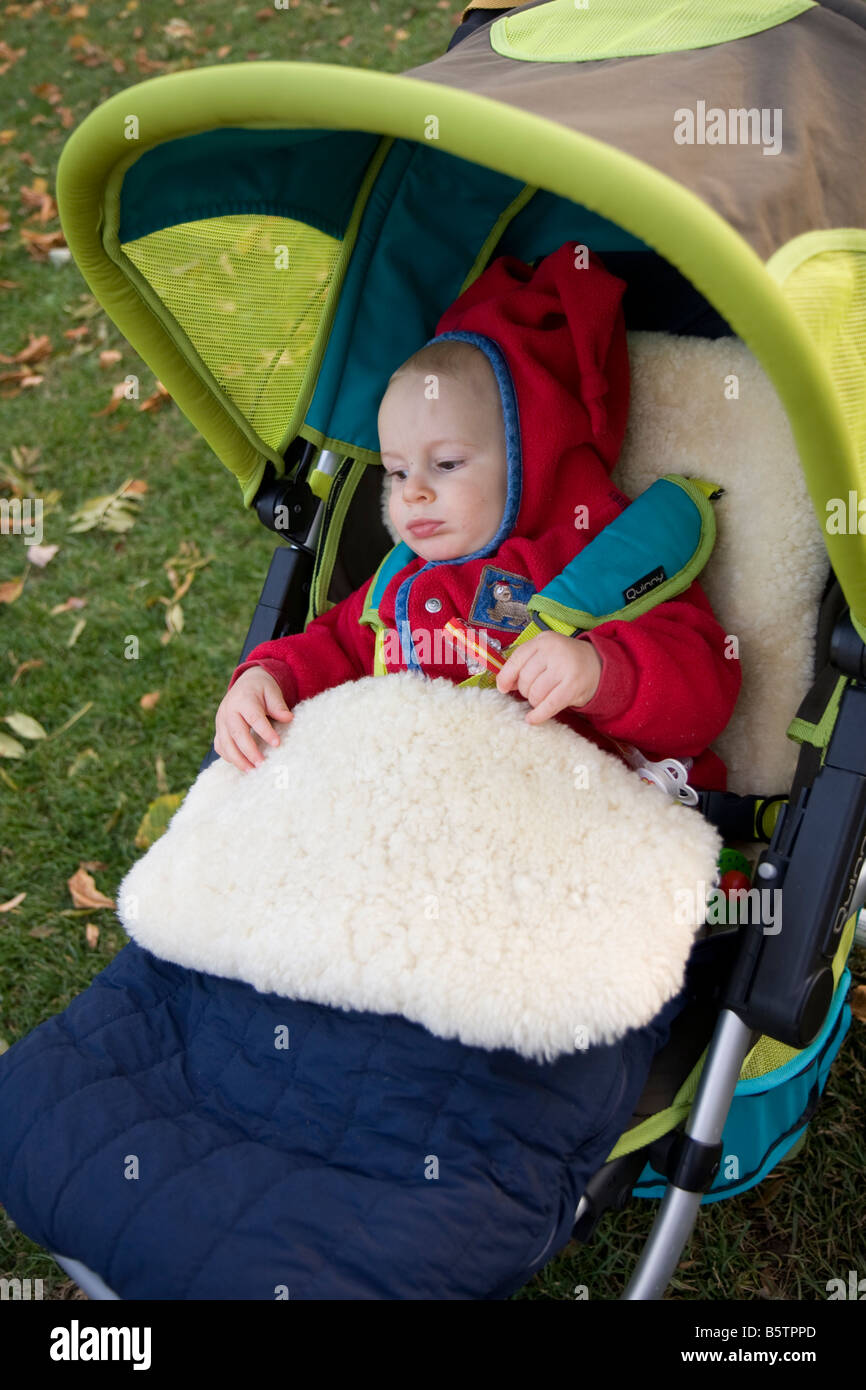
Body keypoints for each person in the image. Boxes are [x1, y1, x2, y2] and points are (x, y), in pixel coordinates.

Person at [214, 240, 741, 791]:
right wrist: (265, 676)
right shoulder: (396, 587)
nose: (413, 491)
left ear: (528, 460)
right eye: (396, 471)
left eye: (445, 463)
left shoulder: (611, 560)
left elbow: (705, 697)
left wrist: (600, 674)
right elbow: (332, 645)